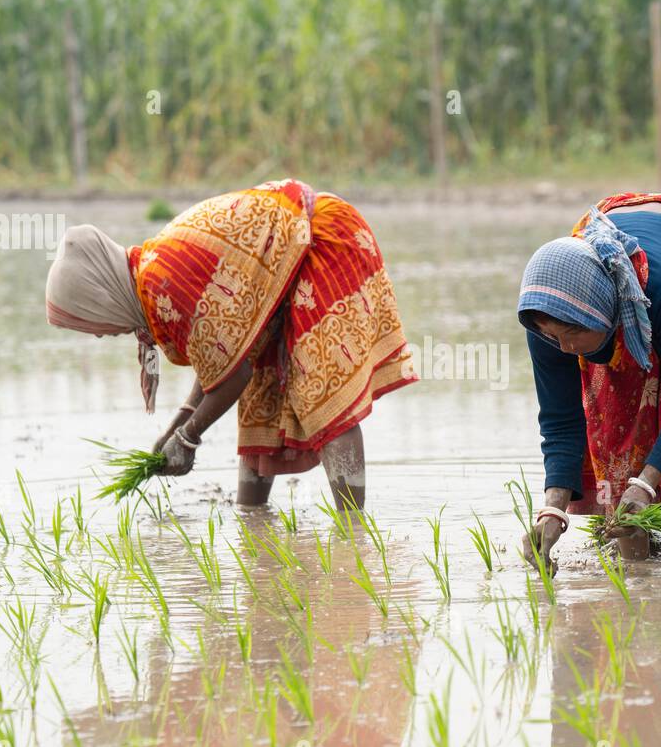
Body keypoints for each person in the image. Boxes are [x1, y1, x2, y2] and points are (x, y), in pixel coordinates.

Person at [45, 178, 417, 510]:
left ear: (100, 296)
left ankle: (354, 537)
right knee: (261, 402)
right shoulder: (152, 279)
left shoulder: (163, 286)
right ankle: (253, 524)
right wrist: (180, 421)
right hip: (290, 261)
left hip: (321, 242)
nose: (96, 333)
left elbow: (233, 374)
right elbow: (220, 354)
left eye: (88, 319)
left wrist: (188, 438)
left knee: (323, 394)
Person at [517, 192, 661, 572]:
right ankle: (634, 537)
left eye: (574, 333)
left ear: (604, 310)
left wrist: (646, 484)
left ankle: (660, 518)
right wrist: (552, 510)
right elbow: (561, 418)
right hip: (598, 247)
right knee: (612, 410)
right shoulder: (548, 315)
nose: (565, 348)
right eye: (555, 337)